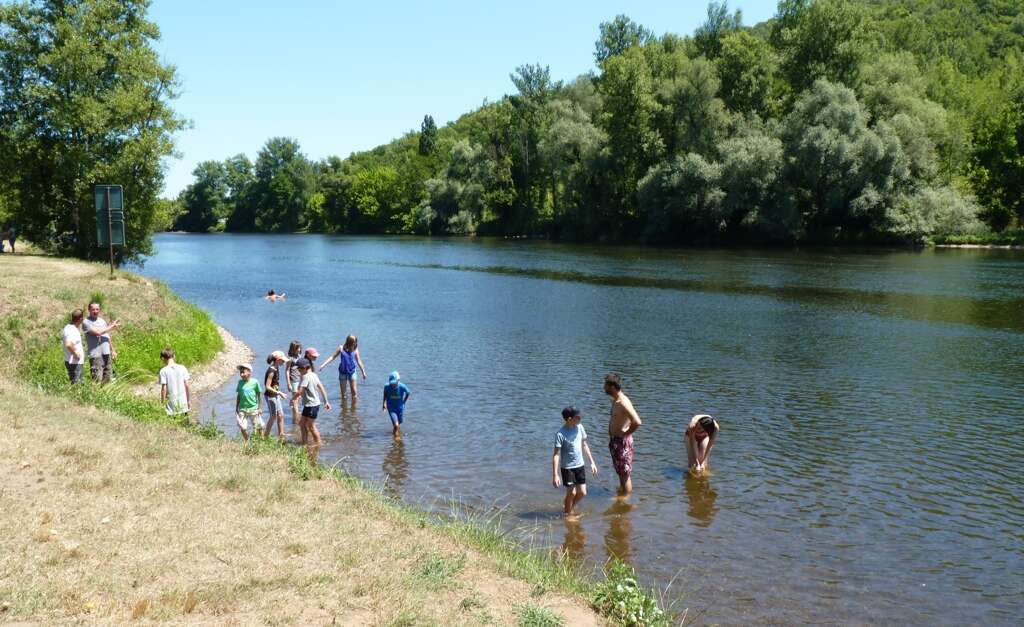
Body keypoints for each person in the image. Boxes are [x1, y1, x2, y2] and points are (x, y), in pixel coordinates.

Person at [552, 406, 599, 518]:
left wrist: (592, 462)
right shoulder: (560, 434)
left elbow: (584, 445)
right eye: (578, 417)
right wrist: (555, 475)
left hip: (580, 465)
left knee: (582, 492)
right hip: (567, 468)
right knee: (572, 493)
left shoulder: (580, 427)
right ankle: (568, 515)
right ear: (569, 419)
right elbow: (556, 455)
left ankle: (568, 507)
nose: (580, 419)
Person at [604, 373, 642, 495]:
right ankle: (622, 496)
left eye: (606, 385)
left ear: (612, 387)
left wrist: (625, 433)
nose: (604, 387)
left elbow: (637, 422)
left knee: (625, 474)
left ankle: (626, 499)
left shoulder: (622, 402)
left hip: (622, 442)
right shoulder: (616, 401)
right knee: (621, 472)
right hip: (616, 441)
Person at [293, 357, 330, 447]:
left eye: (299, 369)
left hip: (312, 405)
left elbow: (300, 391)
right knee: (302, 424)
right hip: (310, 404)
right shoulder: (313, 375)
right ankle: (304, 443)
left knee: (311, 426)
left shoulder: (306, 377)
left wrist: (292, 399)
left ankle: (318, 444)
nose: (298, 371)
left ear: (305, 368)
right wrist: (326, 401)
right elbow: (322, 388)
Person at [320, 335, 367, 402]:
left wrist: (363, 372)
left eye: (355, 342)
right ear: (349, 342)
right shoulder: (341, 348)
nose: (355, 343)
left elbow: (359, 361)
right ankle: (345, 407)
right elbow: (332, 357)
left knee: (354, 393)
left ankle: (354, 408)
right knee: (344, 395)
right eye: (354, 342)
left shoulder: (355, 349)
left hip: (352, 372)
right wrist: (323, 365)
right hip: (342, 373)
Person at [82, 301, 120, 383]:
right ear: (89, 310)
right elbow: (98, 332)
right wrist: (112, 326)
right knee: (97, 379)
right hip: (96, 355)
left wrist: (113, 350)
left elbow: (107, 336)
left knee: (107, 378)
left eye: (97, 309)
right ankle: (95, 391)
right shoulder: (86, 322)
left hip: (106, 353)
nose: (95, 311)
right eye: (93, 309)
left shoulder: (102, 321)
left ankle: (106, 391)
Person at [159, 347, 192, 417]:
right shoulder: (182, 368)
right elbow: (187, 385)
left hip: (171, 407)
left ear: (162, 358)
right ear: (174, 356)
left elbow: (164, 389)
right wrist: (188, 401)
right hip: (183, 405)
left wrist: (163, 404)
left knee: (173, 423)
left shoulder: (163, 371)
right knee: (185, 422)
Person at [234, 364, 263, 441]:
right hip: (242, 409)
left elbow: (259, 394)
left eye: (243, 372)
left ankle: (262, 441)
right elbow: (239, 395)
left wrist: (260, 408)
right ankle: (247, 441)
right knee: (242, 427)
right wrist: (236, 407)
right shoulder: (240, 382)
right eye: (240, 372)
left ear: (249, 372)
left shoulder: (255, 382)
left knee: (258, 426)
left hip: (253, 408)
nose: (241, 374)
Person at [263, 351, 288, 440]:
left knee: (281, 415)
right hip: (270, 396)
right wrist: (279, 393)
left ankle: (281, 436)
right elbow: (267, 387)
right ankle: (265, 437)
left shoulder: (276, 368)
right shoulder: (271, 371)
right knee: (273, 416)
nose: (284, 362)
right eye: (283, 361)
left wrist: (278, 393)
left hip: (275, 395)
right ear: (277, 360)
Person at [382, 371, 410, 437]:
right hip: (391, 408)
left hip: (400, 408)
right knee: (396, 425)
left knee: (398, 424)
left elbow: (408, 393)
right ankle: (396, 438)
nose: (393, 385)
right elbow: (385, 394)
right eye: (392, 383)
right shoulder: (387, 386)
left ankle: (396, 435)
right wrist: (384, 403)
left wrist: (404, 402)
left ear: (398, 380)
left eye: (394, 383)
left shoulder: (402, 386)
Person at [61, 309, 85, 383]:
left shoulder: (68, 327)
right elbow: (68, 344)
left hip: (71, 361)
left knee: (75, 383)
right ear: (81, 319)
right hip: (74, 363)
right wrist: (75, 354)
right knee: (77, 384)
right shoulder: (72, 330)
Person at [285, 340, 303, 428]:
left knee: (298, 398)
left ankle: (295, 418)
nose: (299, 350)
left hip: (300, 379)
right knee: (296, 400)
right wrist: (288, 383)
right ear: (292, 349)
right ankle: (296, 421)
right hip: (294, 380)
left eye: (299, 348)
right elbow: (287, 371)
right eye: (297, 348)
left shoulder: (299, 356)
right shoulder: (290, 358)